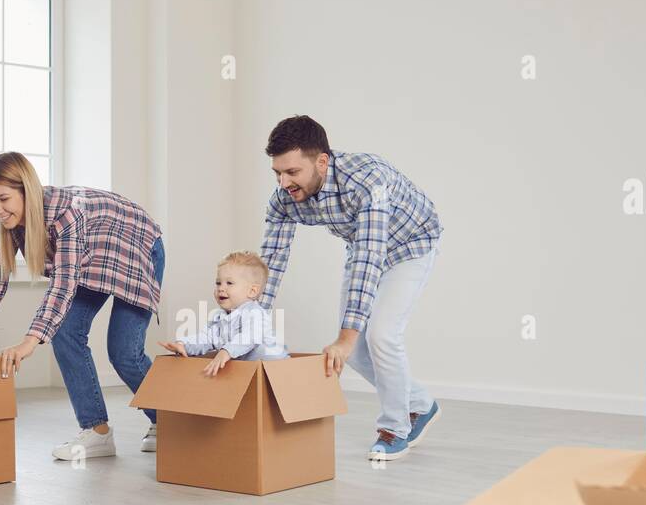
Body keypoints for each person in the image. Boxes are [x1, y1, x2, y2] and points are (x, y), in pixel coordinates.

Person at [0, 152, 165, 460]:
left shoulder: (66, 214)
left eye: (3, 199)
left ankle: (168, 422)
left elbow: (63, 285)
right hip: (91, 257)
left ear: (26, 190)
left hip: (136, 245)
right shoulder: (7, 225)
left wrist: (28, 342)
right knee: (65, 332)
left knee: (124, 351)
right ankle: (97, 431)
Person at [259, 115, 441, 461]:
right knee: (355, 353)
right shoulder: (283, 198)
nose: (283, 182)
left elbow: (370, 258)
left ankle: (394, 428)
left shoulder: (366, 180)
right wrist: (251, 316)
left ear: (321, 161)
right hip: (363, 246)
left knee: (381, 336)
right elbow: (271, 260)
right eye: (277, 173)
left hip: (411, 245)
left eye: (292, 172)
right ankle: (420, 405)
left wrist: (346, 336)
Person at [158, 250, 288, 377]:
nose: (221, 288)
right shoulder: (219, 317)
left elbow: (250, 337)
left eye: (229, 283)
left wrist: (226, 351)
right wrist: (183, 345)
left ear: (252, 291)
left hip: (276, 370)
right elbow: (206, 338)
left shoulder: (255, 313)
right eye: (218, 283)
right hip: (250, 372)